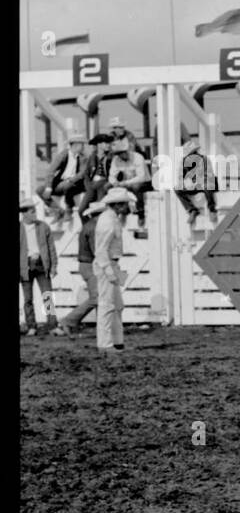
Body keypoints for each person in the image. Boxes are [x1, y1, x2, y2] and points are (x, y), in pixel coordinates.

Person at [93, 187, 132, 353]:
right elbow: (101, 250)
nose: (127, 207)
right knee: (107, 305)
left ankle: (116, 341)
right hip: (106, 264)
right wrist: (108, 270)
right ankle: (105, 344)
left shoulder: (111, 218)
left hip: (111, 263)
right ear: (118, 205)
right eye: (124, 204)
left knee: (117, 305)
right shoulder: (107, 221)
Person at [57, 199, 101, 336]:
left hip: (86, 264)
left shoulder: (88, 225)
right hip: (91, 265)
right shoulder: (94, 228)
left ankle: (103, 327)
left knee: (99, 297)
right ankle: (68, 320)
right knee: (97, 298)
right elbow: (96, 251)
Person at [18, 197, 59, 336]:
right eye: (31, 211)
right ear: (24, 213)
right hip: (25, 265)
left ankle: (52, 325)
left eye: (34, 210)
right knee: (28, 298)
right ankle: (31, 326)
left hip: (42, 264)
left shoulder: (43, 226)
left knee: (47, 295)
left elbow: (51, 248)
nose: (34, 214)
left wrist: (53, 266)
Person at [106, 133, 152, 232]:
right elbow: (111, 176)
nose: (122, 155)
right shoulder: (116, 160)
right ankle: (120, 211)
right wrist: (114, 182)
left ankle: (141, 213)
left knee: (136, 187)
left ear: (127, 151)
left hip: (145, 183)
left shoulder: (138, 157)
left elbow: (142, 177)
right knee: (108, 187)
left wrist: (124, 183)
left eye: (123, 152)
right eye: (120, 153)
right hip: (128, 182)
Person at [40, 131, 88, 220]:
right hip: (60, 183)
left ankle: (68, 210)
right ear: (76, 145)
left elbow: (81, 173)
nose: (83, 147)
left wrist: (70, 180)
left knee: (68, 186)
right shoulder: (63, 155)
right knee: (40, 190)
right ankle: (57, 210)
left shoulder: (83, 158)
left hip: (75, 183)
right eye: (82, 144)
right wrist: (48, 187)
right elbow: (50, 171)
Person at [175, 133, 220, 227]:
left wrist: (194, 181)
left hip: (206, 183)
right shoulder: (184, 162)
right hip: (195, 185)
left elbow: (208, 175)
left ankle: (212, 210)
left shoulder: (204, 159)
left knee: (207, 184)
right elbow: (181, 177)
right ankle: (192, 210)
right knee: (177, 188)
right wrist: (186, 183)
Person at [77, 133, 114, 215]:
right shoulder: (92, 157)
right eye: (106, 143)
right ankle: (87, 224)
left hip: (105, 183)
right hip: (92, 185)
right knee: (81, 211)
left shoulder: (111, 157)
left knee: (99, 208)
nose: (108, 145)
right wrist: (88, 185)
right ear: (99, 144)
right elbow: (86, 174)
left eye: (108, 143)